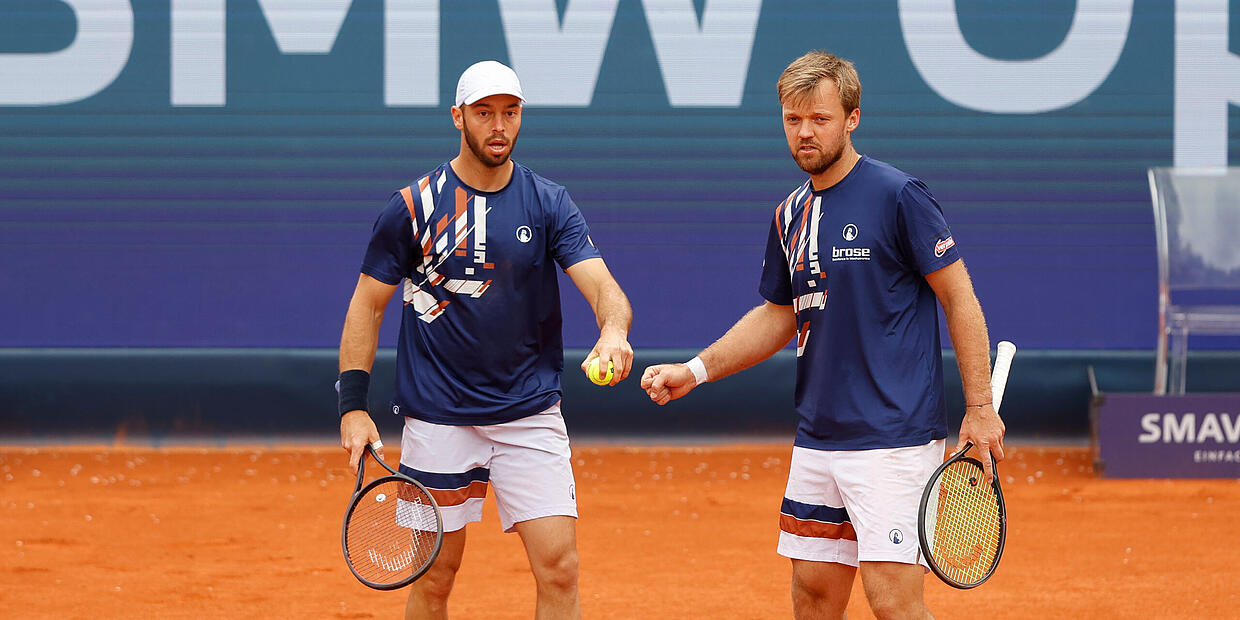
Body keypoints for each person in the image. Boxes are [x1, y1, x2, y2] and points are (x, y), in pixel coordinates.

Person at [640, 51, 1005, 619]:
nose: (805, 132)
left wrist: (979, 406)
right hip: (817, 441)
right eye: (793, 119)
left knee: (894, 606)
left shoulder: (899, 195)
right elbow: (779, 314)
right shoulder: (789, 213)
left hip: (894, 441)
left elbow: (960, 299)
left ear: (852, 118)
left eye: (820, 118)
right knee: (812, 597)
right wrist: (695, 370)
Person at [338, 60, 633, 620]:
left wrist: (613, 330)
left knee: (561, 567)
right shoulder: (411, 208)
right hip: (437, 420)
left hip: (530, 415)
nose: (498, 125)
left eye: (510, 112)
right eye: (484, 113)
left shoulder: (549, 203)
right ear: (458, 117)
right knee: (433, 576)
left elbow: (602, 286)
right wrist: (352, 406)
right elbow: (366, 305)